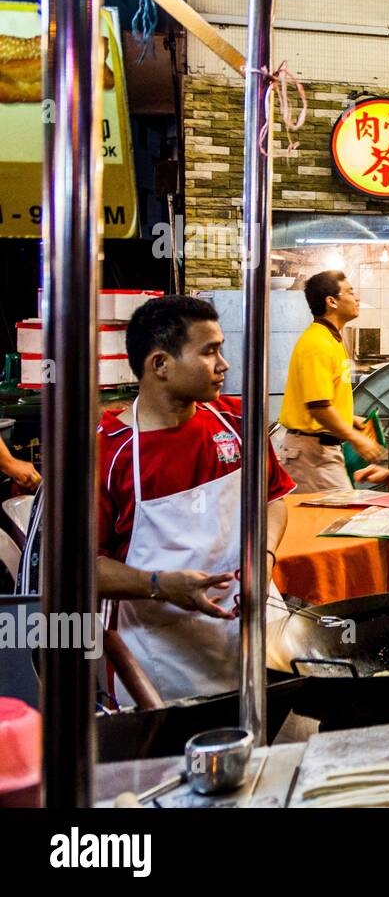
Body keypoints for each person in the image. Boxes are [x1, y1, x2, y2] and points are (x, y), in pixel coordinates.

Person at [96, 296, 296, 703]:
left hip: (256, 638)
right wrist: (159, 584)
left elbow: (273, 499)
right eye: (209, 352)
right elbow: (76, 571)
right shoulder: (109, 452)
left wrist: (266, 557)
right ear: (160, 365)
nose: (223, 364)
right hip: (164, 661)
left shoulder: (238, 421)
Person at [277, 270, 383, 493]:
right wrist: (356, 439)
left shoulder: (331, 338)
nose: (357, 298)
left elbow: (322, 397)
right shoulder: (318, 344)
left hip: (320, 450)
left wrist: (348, 418)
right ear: (331, 301)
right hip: (310, 454)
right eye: (351, 292)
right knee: (337, 518)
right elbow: (318, 407)